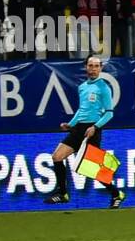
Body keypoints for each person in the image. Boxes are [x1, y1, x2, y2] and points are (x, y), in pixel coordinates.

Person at [45, 54, 125, 208]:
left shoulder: (104, 88)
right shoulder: (82, 87)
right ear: (86, 67)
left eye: (96, 66)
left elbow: (109, 113)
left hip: (92, 130)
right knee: (57, 157)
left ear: (101, 68)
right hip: (79, 128)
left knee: (93, 169)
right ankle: (62, 193)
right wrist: (70, 124)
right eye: (90, 66)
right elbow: (81, 110)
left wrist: (95, 127)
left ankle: (117, 194)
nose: (93, 69)